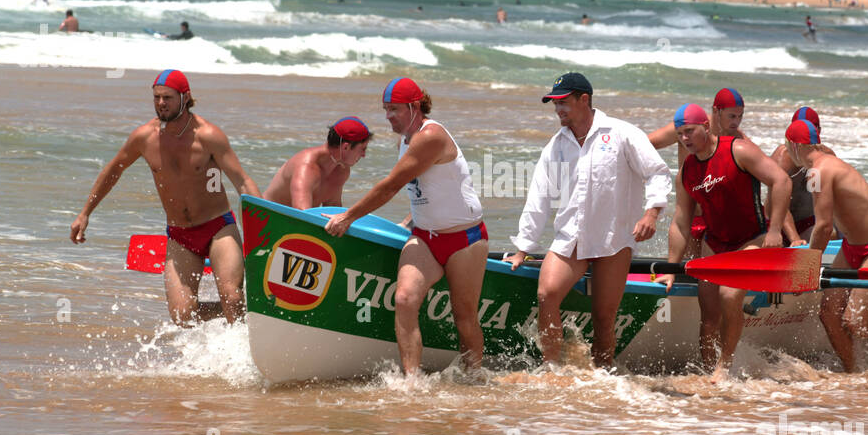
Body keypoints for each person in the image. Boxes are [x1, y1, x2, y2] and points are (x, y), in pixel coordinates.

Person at [70, 70, 261, 325]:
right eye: (157, 97)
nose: (161, 103)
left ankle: (240, 324)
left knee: (232, 296)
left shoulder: (208, 136)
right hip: (180, 235)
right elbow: (113, 171)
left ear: (186, 97)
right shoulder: (144, 137)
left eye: (168, 98)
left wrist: (263, 225)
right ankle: (241, 313)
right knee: (183, 315)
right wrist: (85, 213)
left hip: (219, 227)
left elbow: (243, 181)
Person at [506, 72, 670, 369]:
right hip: (571, 237)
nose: (558, 110)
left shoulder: (621, 133)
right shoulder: (556, 145)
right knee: (547, 294)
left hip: (614, 238)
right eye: (554, 104)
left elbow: (657, 171)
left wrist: (652, 212)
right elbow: (539, 197)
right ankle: (551, 370)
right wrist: (523, 247)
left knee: (604, 319)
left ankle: (601, 380)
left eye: (564, 102)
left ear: (585, 99)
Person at [324, 78, 487, 374]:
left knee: (464, 316)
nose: (388, 116)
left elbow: (391, 187)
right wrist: (409, 221)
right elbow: (424, 187)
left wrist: (348, 217)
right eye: (385, 109)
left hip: (465, 240)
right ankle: (412, 382)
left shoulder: (431, 136)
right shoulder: (405, 140)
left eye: (394, 109)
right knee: (404, 298)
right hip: (425, 237)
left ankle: (474, 378)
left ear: (414, 107)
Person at [657, 103, 790, 377]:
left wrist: (776, 229)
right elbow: (680, 222)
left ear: (706, 127)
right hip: (715, 244)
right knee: (708, 317)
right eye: (680, 134)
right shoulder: (687, 171)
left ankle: (724, 366)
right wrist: (670, 269)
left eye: (690, 132)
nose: (684, 139)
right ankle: (708, 372)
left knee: (729, 295)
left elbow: (781, 181)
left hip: (752, 239)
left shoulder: (737, 150)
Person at [786, 119, 868, 372]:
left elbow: (823, 227)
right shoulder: (822, 164)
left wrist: (806, 270)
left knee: (855, 321)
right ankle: (853, 371)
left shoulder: (817, 172)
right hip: (852, 248)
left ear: (793, 146)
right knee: (829, 315)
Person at [263, 116, 372, 209]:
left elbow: (333, 209)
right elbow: (301, 214)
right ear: (346, 147)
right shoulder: (306, 167)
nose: (364, 155)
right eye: (363, 149)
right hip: (265, 220)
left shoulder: (341, 170)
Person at [768, 106, 835, 244]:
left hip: (807, 223)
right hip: (778, 224)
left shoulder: (825, 157)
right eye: (798, 129)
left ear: (818, 131)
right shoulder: (782, 158)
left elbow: (827, 199)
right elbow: (778, 204)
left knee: (833, 233)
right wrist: (795, 239)